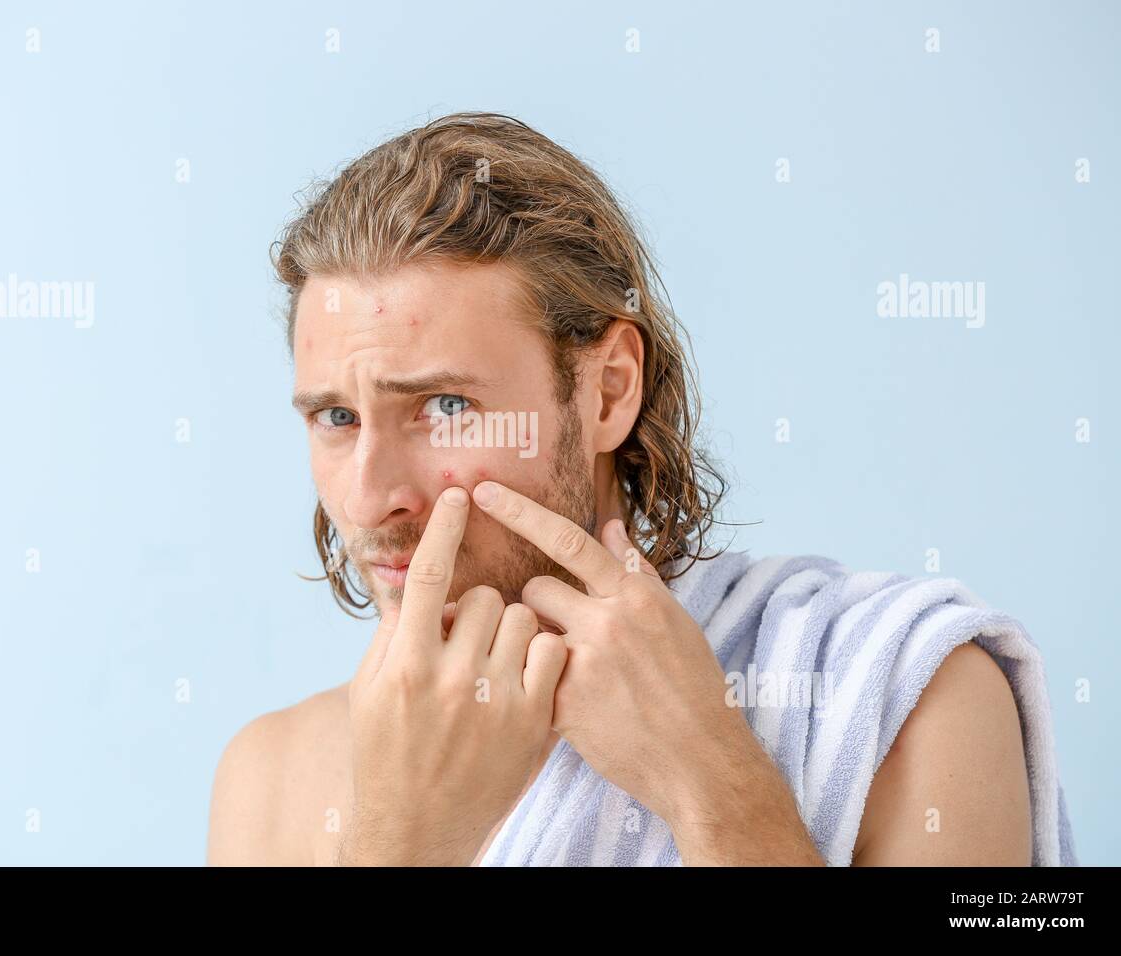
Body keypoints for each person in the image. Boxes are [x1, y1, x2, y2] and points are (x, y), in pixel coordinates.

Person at [206, 112, 1071, 866]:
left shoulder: (901, 690)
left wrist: (712, 782)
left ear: (609, 388)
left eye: (443, 407)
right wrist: (401, 842)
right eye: (335, 418)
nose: (369, 499)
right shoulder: (274, 779)